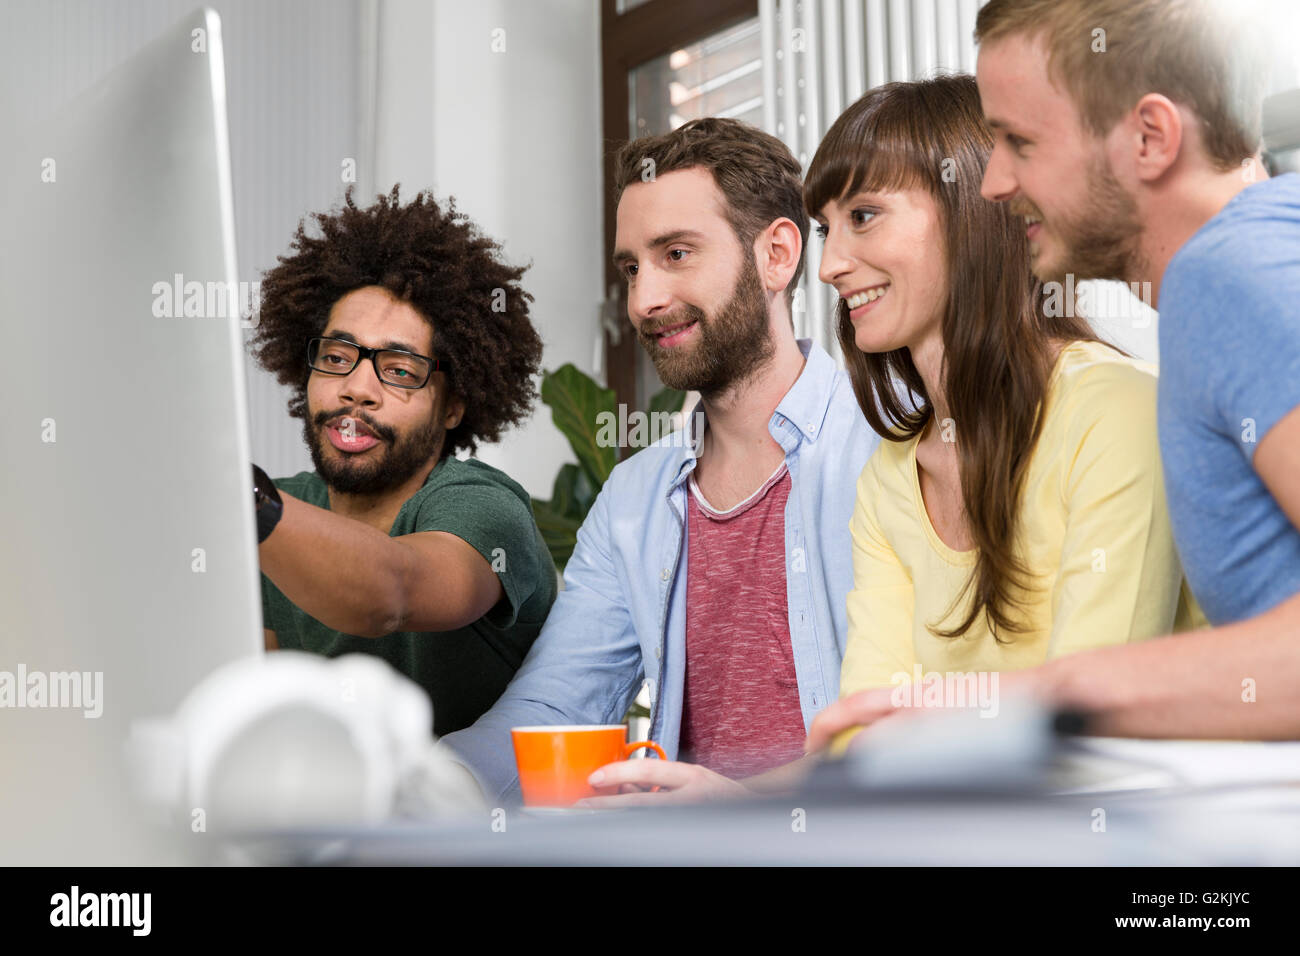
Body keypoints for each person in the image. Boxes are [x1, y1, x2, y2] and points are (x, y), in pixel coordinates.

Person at [810, 0, 1300, 749]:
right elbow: (859, 737)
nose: (994, 183)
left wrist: (1057, 692)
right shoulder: (1245, 268)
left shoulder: (1224, 276)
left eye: (1020, 142)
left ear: (1150, 137)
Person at [441, 118, 880, 805]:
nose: (644, 300)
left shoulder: (891, 439)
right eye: (631, 267)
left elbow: (925, 719)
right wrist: (418, 783)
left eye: (677, 253)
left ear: (777, 254)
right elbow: (555, 709)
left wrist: (750, 809)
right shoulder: (633, 498)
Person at [249, 185, 558, 738]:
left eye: (398, 369)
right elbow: (261, 709)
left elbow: (390, 594)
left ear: (453, 406)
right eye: (338, 358)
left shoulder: (481, 507)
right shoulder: (281, 506)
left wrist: (249, 503)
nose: (357, 388)